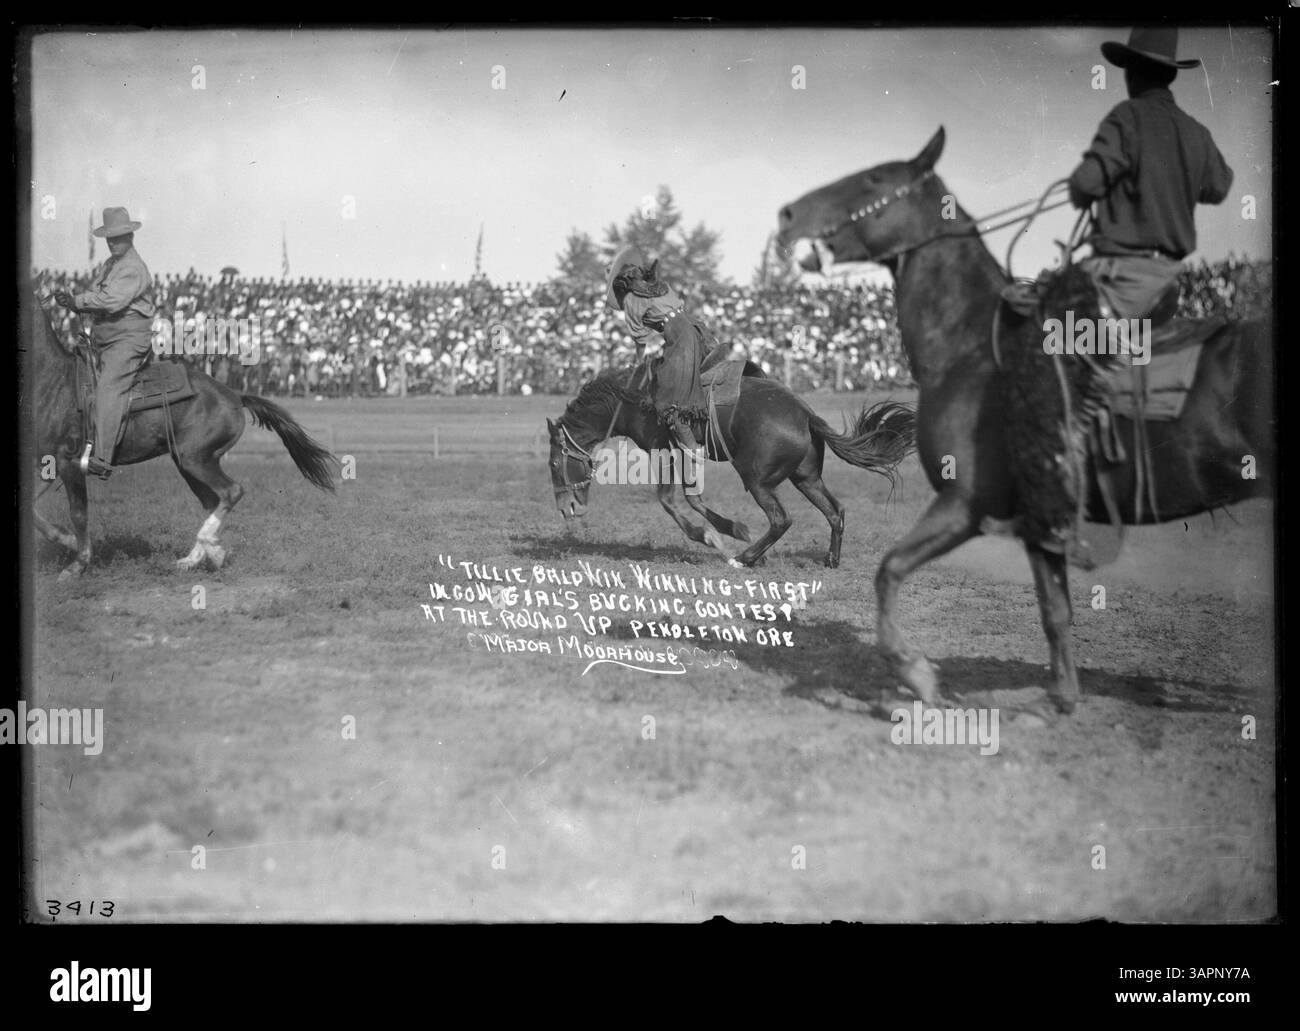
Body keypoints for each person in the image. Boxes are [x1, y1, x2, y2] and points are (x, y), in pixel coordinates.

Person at [1068, 27, 1234, 321]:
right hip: (1169, 277)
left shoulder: (1127, 116)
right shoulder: (1198, 133)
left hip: (1123, 279)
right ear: (1169, 75)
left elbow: (1085, 183)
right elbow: (1220, 185)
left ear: (1132, 72)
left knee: (1046, 325)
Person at [54, 207, 157, 478]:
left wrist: (77, 301)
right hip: (106, 337)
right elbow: (98, 293)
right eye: (109, 238)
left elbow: (110, 301)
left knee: (108, 389)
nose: (113, 242)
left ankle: (102, 457)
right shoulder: (111, 265)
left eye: (118, 237)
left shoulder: (133, 267)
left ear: (130, 236)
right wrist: (76, 300)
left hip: (128, 340)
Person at [605, 247, 714, 490]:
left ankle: (693, 449)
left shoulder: (633, 300)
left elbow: (640, 339)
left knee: (666, 398)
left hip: (680, 338)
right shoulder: (660, 287)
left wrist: (637, 361)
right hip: (697, 329)